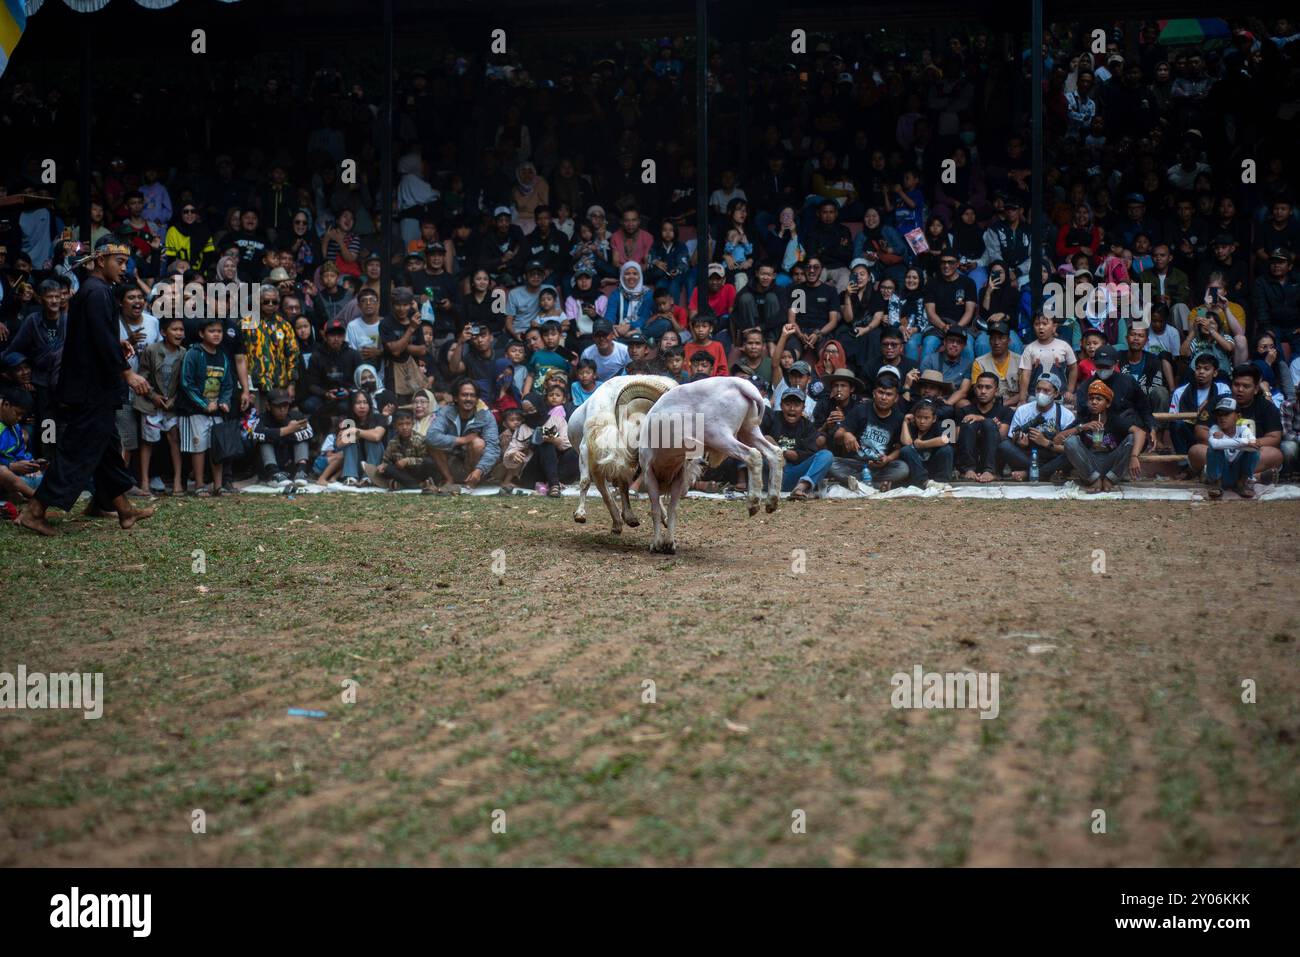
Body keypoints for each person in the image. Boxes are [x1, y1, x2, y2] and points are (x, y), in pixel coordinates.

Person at [17, 238, 155, 535]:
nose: (124, 268)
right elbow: (101, 341)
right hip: (91, 390)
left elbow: (94, 336)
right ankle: (34, 511)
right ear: (101, 260)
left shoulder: (96, 291)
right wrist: (127, 373)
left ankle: (120, 509)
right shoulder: (96, 293)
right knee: (78, 451)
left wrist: (116, 344)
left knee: (105, 448)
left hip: (93, 388)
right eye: (119, 261)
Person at [1187, 364, 1285, 485]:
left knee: (1275, 455)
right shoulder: (1217, 402)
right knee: (1195, 451)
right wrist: (1226, 445)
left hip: (1249, 454)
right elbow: (1200, 430)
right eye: (1236, 385)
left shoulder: (1266, 406)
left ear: (1255, 389)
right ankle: (1251, 478)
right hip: (1220, 453)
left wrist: (1248, 445)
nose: (1240, 390)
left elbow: (1274, 437)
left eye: (1246, 386)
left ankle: (1216, 476)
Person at [1060, 379, 1146, 493]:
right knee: (1070, 441)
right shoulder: (1084, 420)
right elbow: (1058, 439)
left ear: (1108, 403)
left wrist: (1134, 456)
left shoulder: (1114, 420)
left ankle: (1110, 480)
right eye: (1091, 399)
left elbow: (1140, 432)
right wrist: (1082, 427)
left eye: (1099, 399)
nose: (1094, 402)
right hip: (1090, 465)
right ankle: (1094, 479)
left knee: (1131, 438)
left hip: (1111, 464)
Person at [133, 315, 187, 496]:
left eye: (181, 329)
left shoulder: (183, 353)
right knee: (148, 443)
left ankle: (178, 481)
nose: (179, 333)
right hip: (151, 404)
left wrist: (174, 399)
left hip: (171, 405)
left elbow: (183, 383)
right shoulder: (152, 350)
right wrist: (153, 395)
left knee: (175, 440)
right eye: (174, 329)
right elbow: (142, 376)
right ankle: (145, 483)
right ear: (163, 332)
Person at [833, 368, 910, 490]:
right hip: (857, 464)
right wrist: (846, 434)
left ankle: (861, 484)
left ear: (896, 398)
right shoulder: (861, 409)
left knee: (903, 468)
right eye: (880, 392)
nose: (883, 397)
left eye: (889, 394)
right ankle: (876, 485)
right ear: (874, 393)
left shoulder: (898, 418)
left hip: (880, 467)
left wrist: (888, 459)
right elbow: (837, 435)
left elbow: (900, 448)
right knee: (831, 464)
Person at [1000, 371, 1076, 481]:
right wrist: (1021, 443)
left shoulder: (1066, 415)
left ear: (1056, 394)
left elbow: (1069, 449)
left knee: (1071, 456)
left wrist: (1045, 443)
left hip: (1051, 458)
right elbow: (1011, 439)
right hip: (1027, 457)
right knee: (1004, 446)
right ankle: (1043, 473)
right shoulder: (1023, 410)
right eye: (1038, 389)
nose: (1041, 393)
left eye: (1046, 391)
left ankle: (1029, 473)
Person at [426, 378, 500, 490]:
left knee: (478, 443)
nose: (468, 399)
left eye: (472, 395)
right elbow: (431, 436)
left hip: (474, 465)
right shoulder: (446, 411)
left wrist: (479, 470)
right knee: (432, 444)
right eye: (464, 395)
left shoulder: (486, 416)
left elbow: (493, 448)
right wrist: (462, 440)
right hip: (451, 461)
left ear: (477, 399)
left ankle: (471, 482)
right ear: (456, 398)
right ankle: (449, 479)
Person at [764, 388, 832, 500]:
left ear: (803, 408)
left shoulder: (807, 426)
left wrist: (780, 451)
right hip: (771, 473)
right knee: (763, 441)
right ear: (781, 405)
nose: (792, 409)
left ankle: (800, 488)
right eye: (788, 404)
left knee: (826, 455)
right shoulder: (772, 417)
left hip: (793, 474)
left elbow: (803, 456)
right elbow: (759, 439)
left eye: (796, 405)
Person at [957, 371, 1013, 481]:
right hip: (970, 454)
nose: (983, 391)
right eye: (979, 387)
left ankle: (989, 471)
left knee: (988, 424)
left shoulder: (1005, 411)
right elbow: (959, 437)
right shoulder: (964, 410)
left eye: (988, 388)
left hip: (993, 459)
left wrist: (982, 420)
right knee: (968, 423)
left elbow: (1001, 436)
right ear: (974, 389)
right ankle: (968, 470)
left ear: (996, 391)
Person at [250, 388, 313, 485]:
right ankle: (275, 474)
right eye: (278, 406)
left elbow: (310, 432)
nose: (282, 409)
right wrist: (287, 430)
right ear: (268, 406)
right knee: (265, 441)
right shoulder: (263, 418)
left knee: (302, 439)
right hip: (269, 466)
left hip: (290, 461)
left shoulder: (296, 416)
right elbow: (254, 434)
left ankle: (301, 472)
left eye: (285, 405)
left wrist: (284, 434)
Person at [1203, 396, 1259, 499]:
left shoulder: (1244, 429)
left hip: (1237, 474)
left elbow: (1254, 445)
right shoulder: (1214, 429)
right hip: (1220, 474)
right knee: (1212, 450)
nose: (1222, 417)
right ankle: (1217, 486)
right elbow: (1215, 445)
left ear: (1238, 416)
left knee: (1254, 452)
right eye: (1219, 414)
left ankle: (1241, 484)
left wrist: (1224, 440)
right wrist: (1245, 443)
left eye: (1226, 414)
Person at [374, 409, 438, 492]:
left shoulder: (420, 440)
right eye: (400, 424)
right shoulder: (393, 442)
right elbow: (386, 460)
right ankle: (417, 485)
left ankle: (406, 484)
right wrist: (383, 465)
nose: (404, 427)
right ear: (395, 426)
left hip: (418, 472)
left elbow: (425, 459)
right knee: (387, 469)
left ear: (413, 424)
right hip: (403, 473)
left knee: (429, 463)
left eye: (408, 424)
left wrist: (408, 461)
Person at [899, 398, 954, 487]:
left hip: (933, 465)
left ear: (934, 418)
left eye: (926, 418)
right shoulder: (912, 427)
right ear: (914, 417)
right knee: (905, 450)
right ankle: (924, 482)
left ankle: (942, 482)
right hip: (917, 468)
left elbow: (944, 440)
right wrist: (905, 422)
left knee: (947, 450)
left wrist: (922, 444)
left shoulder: (937, 426)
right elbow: (906, 443)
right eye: (918, 417)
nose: (922, 421)